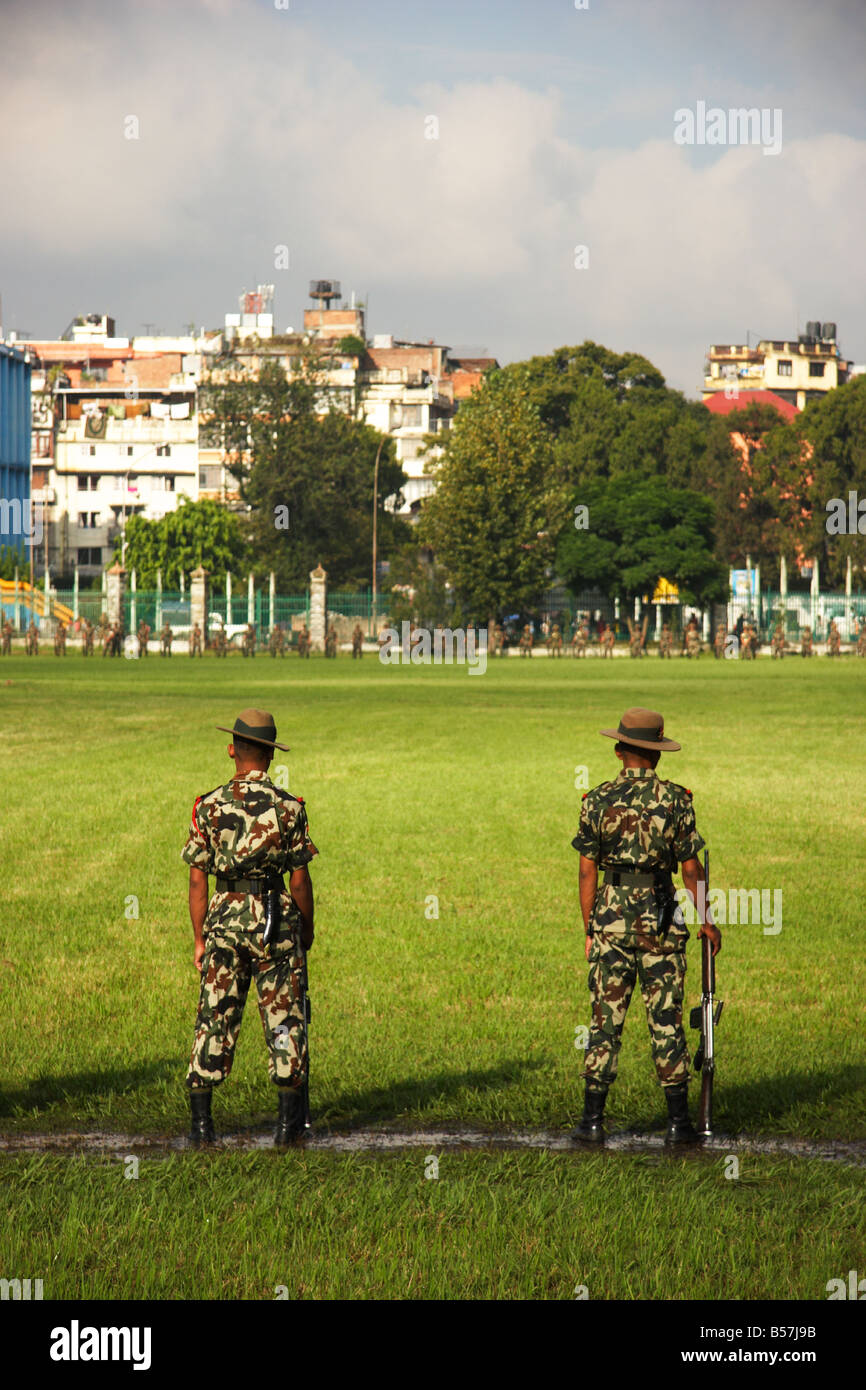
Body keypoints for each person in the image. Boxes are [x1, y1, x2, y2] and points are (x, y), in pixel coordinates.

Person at [571, 707, 721, 1145]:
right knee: (668, 1022)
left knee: (604, 1023)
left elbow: (586, 873)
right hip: (662, 920)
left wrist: (589, 929)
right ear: (657, 756)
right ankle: (678, 1125)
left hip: (610, 925)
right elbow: (690, 870)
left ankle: (592, 1122)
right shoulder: (677, 799)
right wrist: (707, 922)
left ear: (619, 751)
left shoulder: (595, 800)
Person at [183, 709, 318, 1148]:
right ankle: (287, 1130)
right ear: (271, 755)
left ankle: (202, 1130)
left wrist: (201, 939)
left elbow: (197, 878)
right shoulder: (288, 807)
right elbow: (299, 878)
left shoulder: (209, 806)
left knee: (214, 1014)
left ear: (232, 750)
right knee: (284, 1018)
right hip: (275, 922)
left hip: (223, 921)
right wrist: (306, 931)